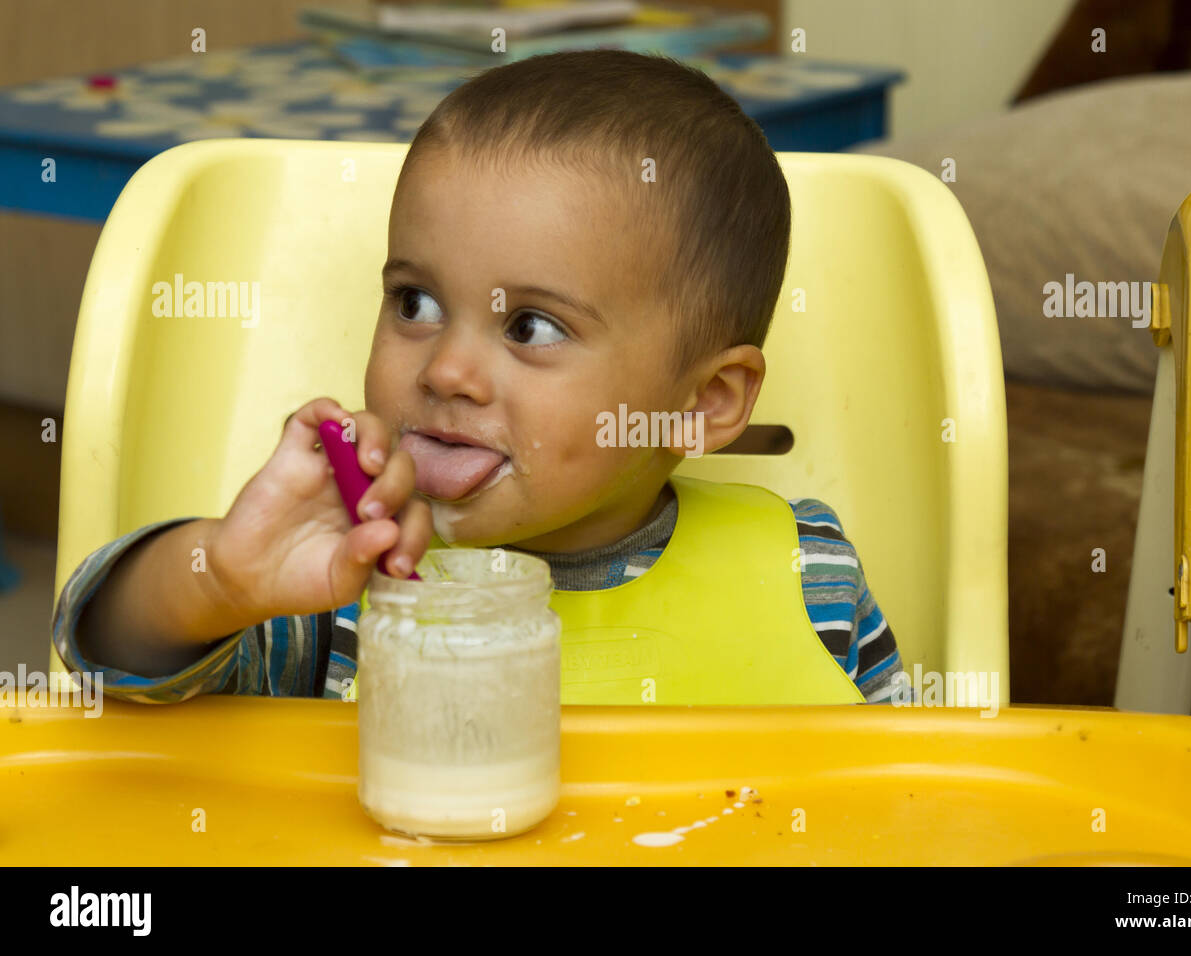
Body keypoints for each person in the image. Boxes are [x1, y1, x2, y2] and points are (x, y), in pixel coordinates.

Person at [52, 50, 906, 705]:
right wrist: (221, 578)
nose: (447, 370)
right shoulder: (339, 579)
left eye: (531, 326)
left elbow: (907, 799)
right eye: (415, 302)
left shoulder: (812, 578)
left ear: (702, 403)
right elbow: (110, 667)